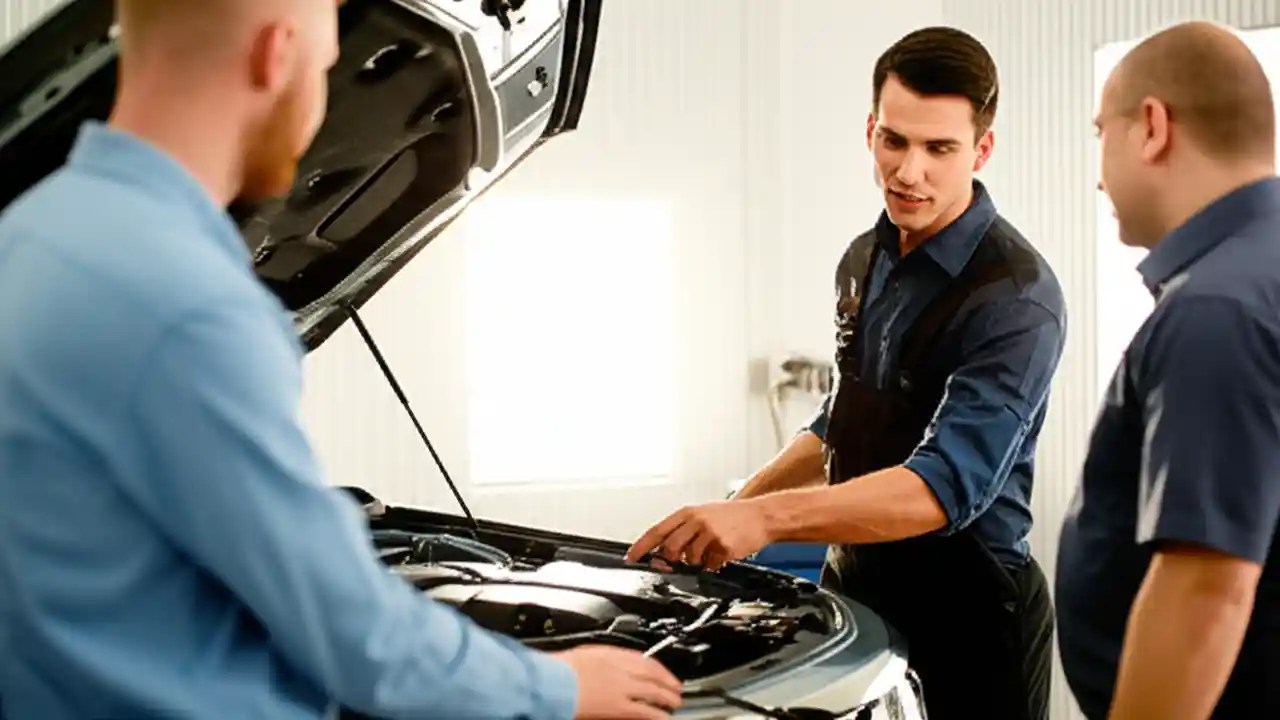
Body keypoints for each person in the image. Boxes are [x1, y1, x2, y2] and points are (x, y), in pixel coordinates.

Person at [0, 1, 682, 719]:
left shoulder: (30, 238)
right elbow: (360, 641)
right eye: (325, 67)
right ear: (275, 55)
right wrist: (560, 687)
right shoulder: (185, 299)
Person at [626, 27, 1066, 720]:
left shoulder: (1017, 298)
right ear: (869, 131)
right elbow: (844, 417)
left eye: (939, 149)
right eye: (894, 140)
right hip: (855, 589)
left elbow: (943, 488)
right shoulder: (864, 259)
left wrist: (761, 520)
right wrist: (730, 514)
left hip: (970, 619)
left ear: (981, 150)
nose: (909, 172)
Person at [1057, 20, 1280, 720]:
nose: (1098, 175)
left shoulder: (1217, 309)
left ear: (1152, 127)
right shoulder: (1260, 272)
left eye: (1102, 133)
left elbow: (1205, 588)